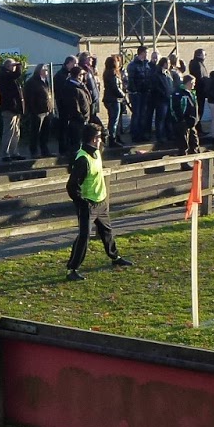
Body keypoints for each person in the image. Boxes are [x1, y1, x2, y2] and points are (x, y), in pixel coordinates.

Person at [64, 118, 133, 280]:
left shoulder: (96, 151)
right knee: (84, 236)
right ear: (92, 139)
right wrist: (82, 202)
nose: (101, 140)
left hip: (100, 201)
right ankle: (71, 269)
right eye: (98, 137)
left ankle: (114, 257)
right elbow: (71, 186)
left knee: (107, 232)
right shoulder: (82, 159)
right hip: (88, 204)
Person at [0, 58, 25, 162]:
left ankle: (14, 152)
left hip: (15, 108)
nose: (15, 68)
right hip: (9, 108)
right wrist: (19, 65)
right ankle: (5, 153)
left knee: (16, 132)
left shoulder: (9, 77)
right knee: (8, 131)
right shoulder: (3, 75)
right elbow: (16, 74)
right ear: (8, 66)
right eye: (13, 65)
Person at [24, 63, 54, 158]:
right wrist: (33, 110)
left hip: (47, 110)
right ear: (39, 71)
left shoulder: (45, 81)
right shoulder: (32, 82)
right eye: (44, 69)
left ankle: (44, 150)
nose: (46, 71)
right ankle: (34, 151)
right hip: (37, 111)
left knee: (45, 132)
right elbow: (29, 97)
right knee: (35, 132)